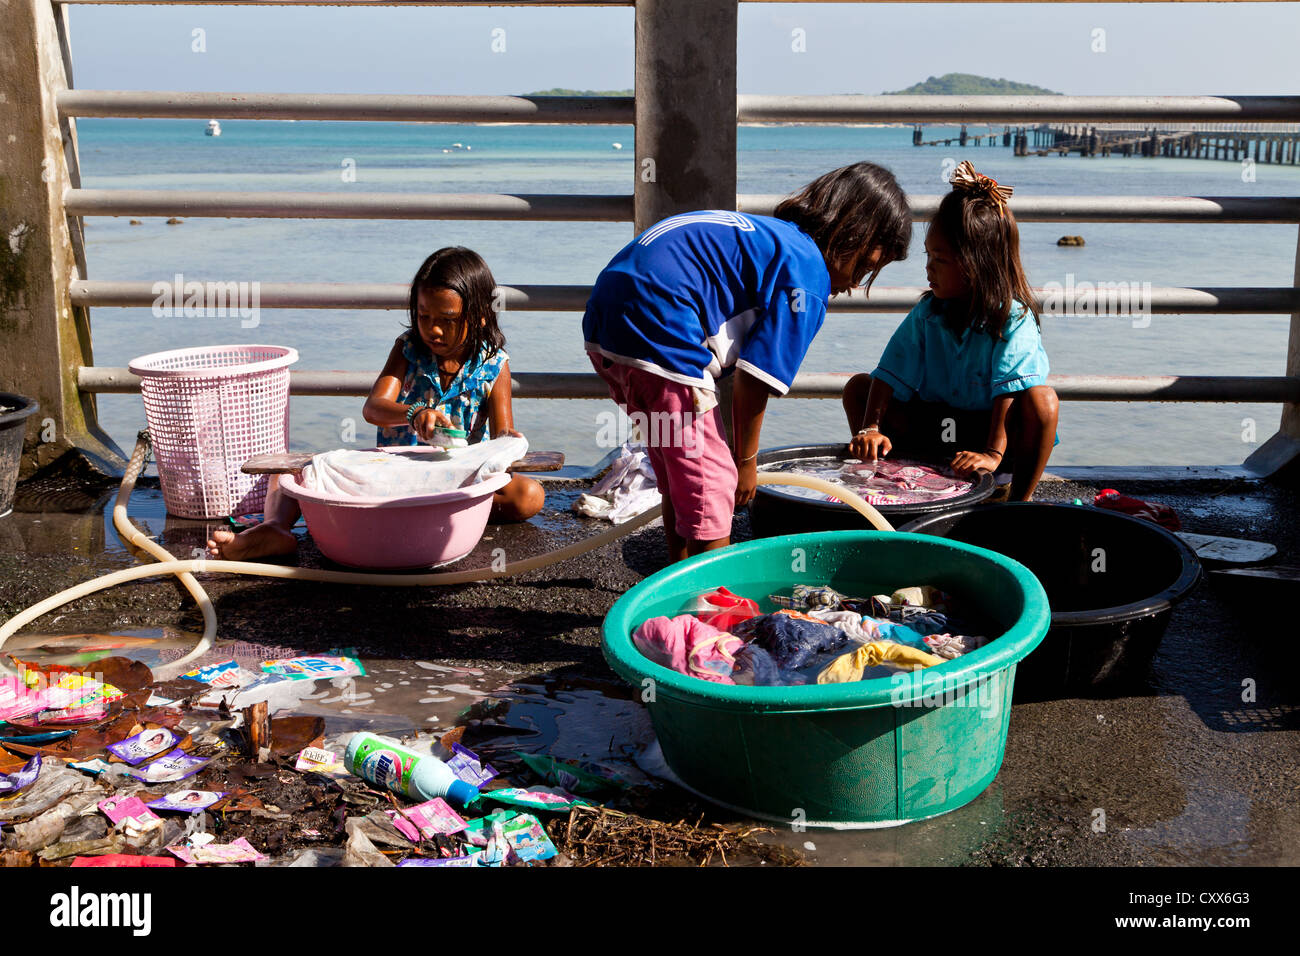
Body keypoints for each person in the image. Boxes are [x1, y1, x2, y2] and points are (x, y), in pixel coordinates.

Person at [583, 162, 912, 562]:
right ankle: (707, 605)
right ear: (852, 230)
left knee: (681, 471)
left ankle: (676, 577)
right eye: (864, 267)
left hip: (607, 323)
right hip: (662, 323)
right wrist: (745, 463)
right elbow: (753, 381)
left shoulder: (774, 239)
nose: (857, 283)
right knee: (715, 481)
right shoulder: (806, 274)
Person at [207, 247, 543, 560]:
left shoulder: (494, 365)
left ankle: (431, 514)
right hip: (392, 474)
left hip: (455, 479)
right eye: (424, 316)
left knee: (528, 495)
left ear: (481, 315)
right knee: (293, 473)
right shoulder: (408, 349)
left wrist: (507, 443)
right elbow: (373, 409)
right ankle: (275, 530)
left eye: (448, 319)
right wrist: (414, 414)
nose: (433, 330)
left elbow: (502, 438)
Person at [843, 161, 1059, 501]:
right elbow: (888, 373)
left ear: (975, 263)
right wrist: (871, 427)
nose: (928, 267)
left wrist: (992, 452)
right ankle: (891, 473)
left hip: (992, 431)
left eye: (939, 259)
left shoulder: (1013, 317)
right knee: (859, 388)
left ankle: (1017, 500)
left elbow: (1009, 392)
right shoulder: (928, 313)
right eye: (928, 256)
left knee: (1043, 402)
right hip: (936, 430)